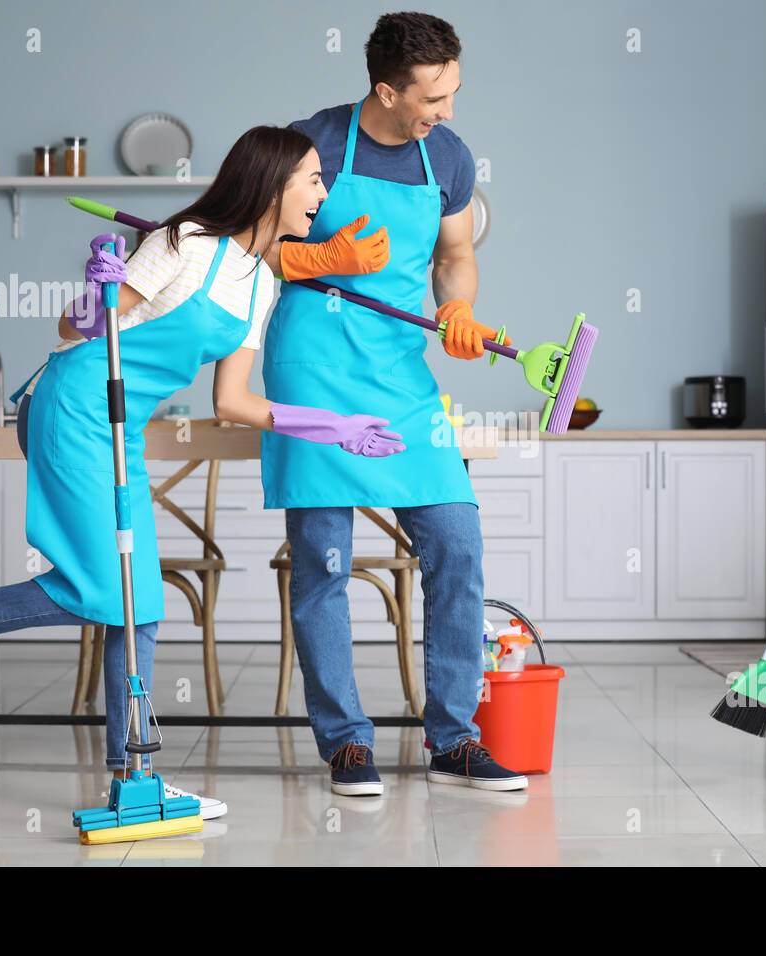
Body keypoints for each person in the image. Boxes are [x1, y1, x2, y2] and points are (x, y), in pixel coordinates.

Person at [0, 126, 401, 819]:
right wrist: (95, 292)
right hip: (75, 402)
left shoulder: (261, 284)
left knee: (139, 601)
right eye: (314, 180)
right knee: (105, 589)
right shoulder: (185, 244)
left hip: (124, 426)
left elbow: (233, 400)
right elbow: (75, 327)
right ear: (273, 184)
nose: (322, 195)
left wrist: (336, 427)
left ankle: (132, 779)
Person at [260, 12, 527, 795]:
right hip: (312, 366)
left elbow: (456, 256)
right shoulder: (311, 143)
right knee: (322, 564)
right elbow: (256, 243)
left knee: (458, 544)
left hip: (400, 375)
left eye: (452, 92)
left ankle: (454, 739)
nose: (446, 111)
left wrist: (460, 311)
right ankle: (345, 743)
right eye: (434, 97)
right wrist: (322, 258)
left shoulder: (447, 156)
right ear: (386, 88)